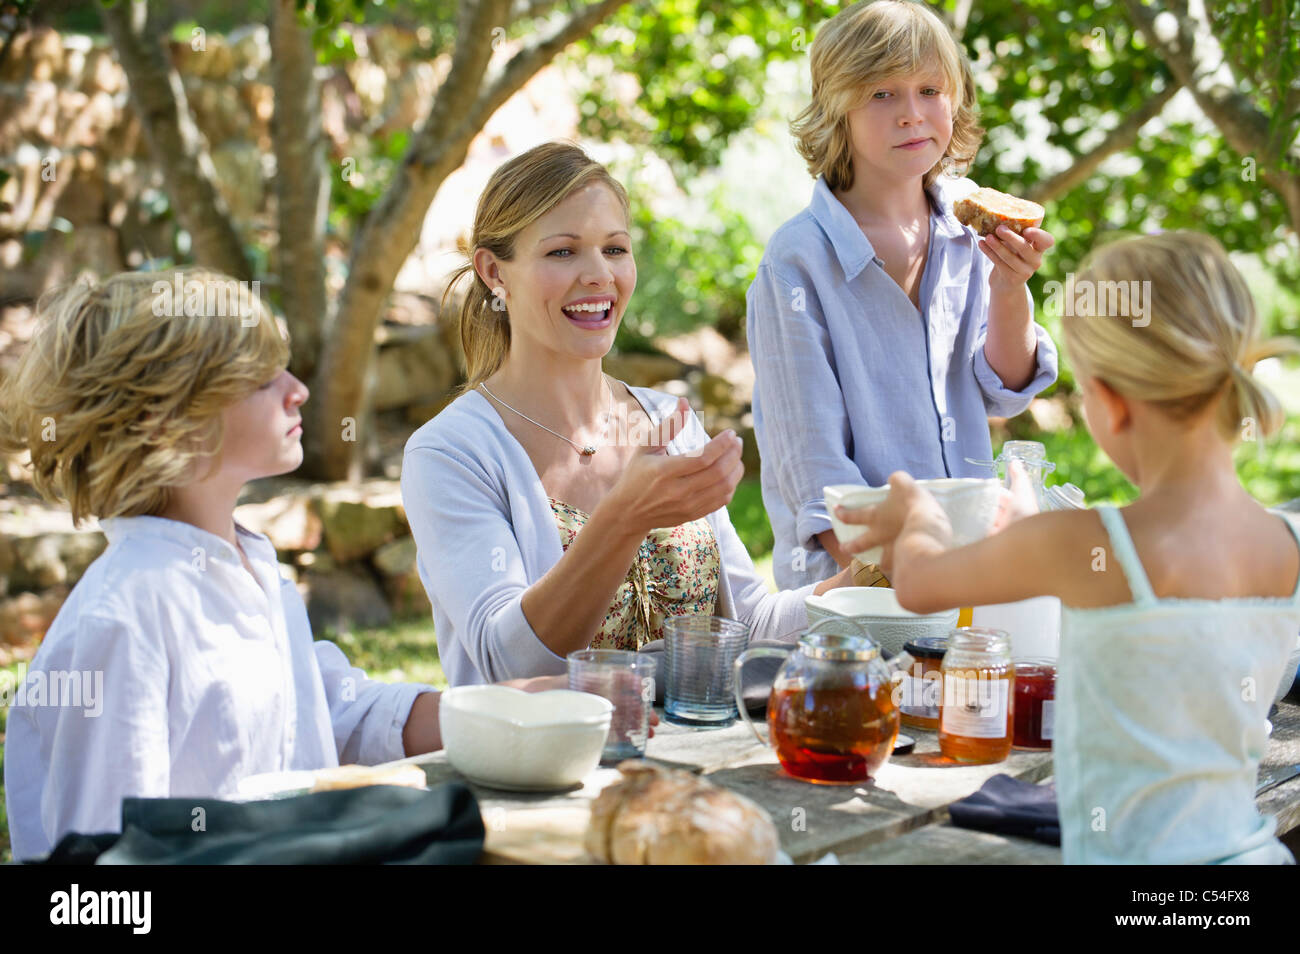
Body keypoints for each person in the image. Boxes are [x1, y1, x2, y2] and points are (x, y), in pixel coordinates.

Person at [0, 270, 559, 861]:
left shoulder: (250, 565)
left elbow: (327, 714)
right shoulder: (126, 616)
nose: (298, 390)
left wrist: (510, 706)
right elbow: (106, 863)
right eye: (261, 379)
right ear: (170, 420)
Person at [835, 231, 1300, 864]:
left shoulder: (1088, 543)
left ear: (1109, 402)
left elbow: (920, 585)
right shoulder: (1284, 542)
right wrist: (1032, 531)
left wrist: (918, 514)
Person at [401, 141, 858, 687]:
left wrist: (877, 575)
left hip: (696, 768)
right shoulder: (451, 453)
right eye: (562, 252)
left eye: (615, 249)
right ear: (494, 273)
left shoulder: (669, 420)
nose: (599, 276)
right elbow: (511, 663)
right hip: (550, 771)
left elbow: (750, 626)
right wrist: (624, 518)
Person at [747, 0, 1059, 589]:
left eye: (930, 90)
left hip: (969, 575)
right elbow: (814, 474)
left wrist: (1010, 287)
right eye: (881, 95)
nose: (912, 115)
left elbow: (1007, 392)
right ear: (836, 111)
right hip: (855, 596)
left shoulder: (969, 231)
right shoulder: (796, 264)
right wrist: (907, 577)